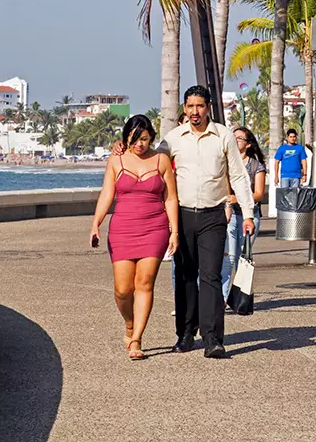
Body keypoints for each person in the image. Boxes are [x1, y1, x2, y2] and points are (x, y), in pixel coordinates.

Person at [162, 86, 256, 359]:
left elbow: (238, 176)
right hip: (182, 215)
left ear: (209, 107)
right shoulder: (173, 139)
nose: (194, 112)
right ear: (184, 107)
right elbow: (153, 162)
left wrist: (247, 213)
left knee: (212, 276)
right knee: (185, 275)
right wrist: (125, 147)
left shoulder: (223, 136)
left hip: (214, 215)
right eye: (190, 106)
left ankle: (213, 338)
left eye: (200, 106)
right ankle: (186, 333)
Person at [89, 116, 178, 359]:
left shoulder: (161, 160)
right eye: (134, 139)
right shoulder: (116, 159)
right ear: (126, 137)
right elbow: (107, 193)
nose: (139, 144)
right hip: (122, 228)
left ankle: (136, 339)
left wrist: (174, 231)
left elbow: (170, 198)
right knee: (122, 290)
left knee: (145, 282)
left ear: (151, 137)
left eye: (145, 139)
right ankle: (129, 322)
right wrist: (96, 223)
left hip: (155, 228)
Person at [222, 127, 268, 299]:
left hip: (249, 216)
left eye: (240, 138)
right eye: (233, 137)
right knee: (228, 258)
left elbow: (258, 194)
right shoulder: (225, 162)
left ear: (248, 145)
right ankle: (223, 298)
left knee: (243, 258)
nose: (235, 140)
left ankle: (241, 297)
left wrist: (237, 198)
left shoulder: (256, 165)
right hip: (230, 215)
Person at [275, 127, 310, 193]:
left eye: (294, 137)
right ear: (287, 137)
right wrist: (276, 176)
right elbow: (276, 162)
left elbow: (304, 161)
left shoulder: (300, 148)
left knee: (294, 197)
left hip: (296, 177)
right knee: (285, 197)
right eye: (291, 137)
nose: (292, 138)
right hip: (284, 176)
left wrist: (305, 175)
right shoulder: (282, 148)